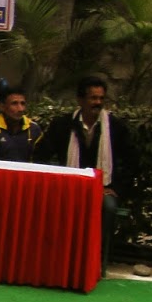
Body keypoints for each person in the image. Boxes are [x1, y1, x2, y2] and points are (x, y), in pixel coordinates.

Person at [36, 76, 135, 267]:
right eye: (93, 98)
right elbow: (41, 154)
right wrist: (56, 182)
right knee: (51, 203)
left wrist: (117, 188)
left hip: (102, 189)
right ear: (80, 100)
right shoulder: (62, 125)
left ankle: (94, 259)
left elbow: (131, 160)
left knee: (108, 207)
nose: (98, 103)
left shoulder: (115, 127)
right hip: (68, 187)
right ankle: (58, 256)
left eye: (101, 98)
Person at [0, 87, 42, 162]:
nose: (20, 109)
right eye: (14, 103)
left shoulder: (34, 128)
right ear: (2, 106)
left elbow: (39, 159)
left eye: (22, 103)